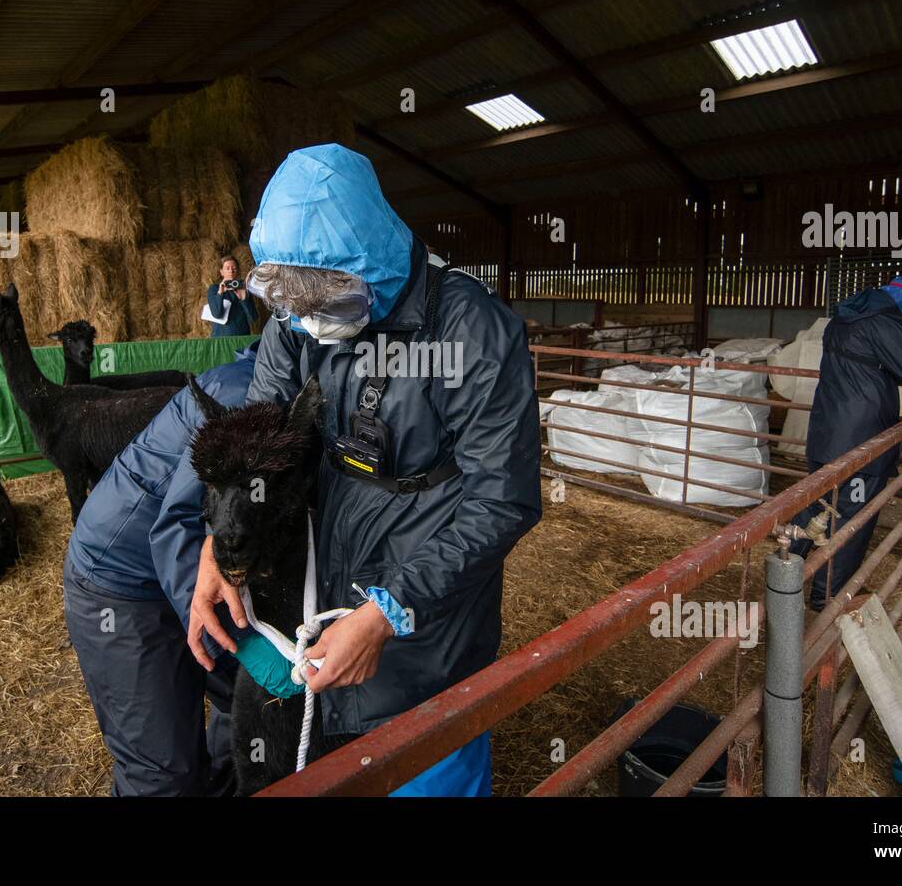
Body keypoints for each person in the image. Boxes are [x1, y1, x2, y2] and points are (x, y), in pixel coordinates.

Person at [186, 143, 542, 796]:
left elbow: (502, 502)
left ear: (365, 260)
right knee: (306, 755)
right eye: (291, 304)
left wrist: (388, 614)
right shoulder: (297, 319)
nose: (303, 322)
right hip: (318, 581)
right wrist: (220, 548)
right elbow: (258, 442)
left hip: (424, 604)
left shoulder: (468, 332)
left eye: (322, 297)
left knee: (420, 763)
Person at [62, 343, 257, 796]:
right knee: (162, 771)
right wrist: (234, 648)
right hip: (121, 582)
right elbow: (181, 529)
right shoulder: (243, 394)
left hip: (178, 568)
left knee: (247, 711)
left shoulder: (289, 379)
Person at [791, 275, 902, 610]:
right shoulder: (881, 325)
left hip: (827, 433)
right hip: (860, 440)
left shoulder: (845, 319)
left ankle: (785, 574)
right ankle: (827, 595)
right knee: (852, 517)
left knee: (817, 503)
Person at [205, 256, 257, 337]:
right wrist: (220, 293)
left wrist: (244, 299)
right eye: (227, 268)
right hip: (221, 338)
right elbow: (217, 314)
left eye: (234, 268)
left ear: (238, 271)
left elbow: (253, 318)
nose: (231, 271)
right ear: (221, 271)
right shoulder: (214, 289)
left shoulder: (243, 288)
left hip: (242, 337)